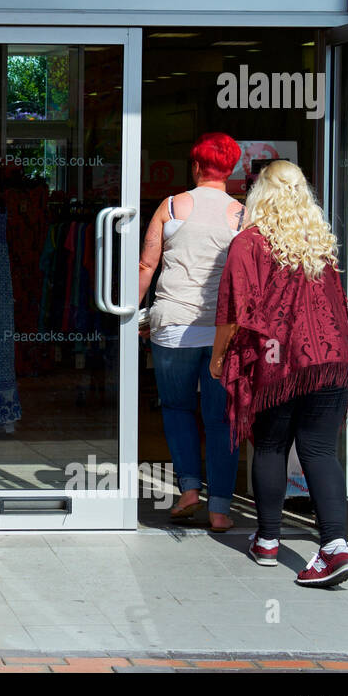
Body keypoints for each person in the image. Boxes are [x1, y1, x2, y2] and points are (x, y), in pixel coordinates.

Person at [210, 160, 348, 587]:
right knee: (319, 451)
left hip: (278, 361)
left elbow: (233, 310)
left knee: (270, 445)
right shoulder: (318, 241)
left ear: (259, 196)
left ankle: (268, 542)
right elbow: (340, 307)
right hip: (333, 359)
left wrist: (218, 357)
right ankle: (335, 546)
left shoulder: (248, 243)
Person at [138, 133, 244, 531]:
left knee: (177, 408)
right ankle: (220, 510)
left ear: (196, 166)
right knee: (221, 419)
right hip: (222, 331)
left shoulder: (171, 206)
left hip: (173, 325)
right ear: (230, 169)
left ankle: (188, 489)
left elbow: (147, 266)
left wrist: (129, 313)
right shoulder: (243, 215)